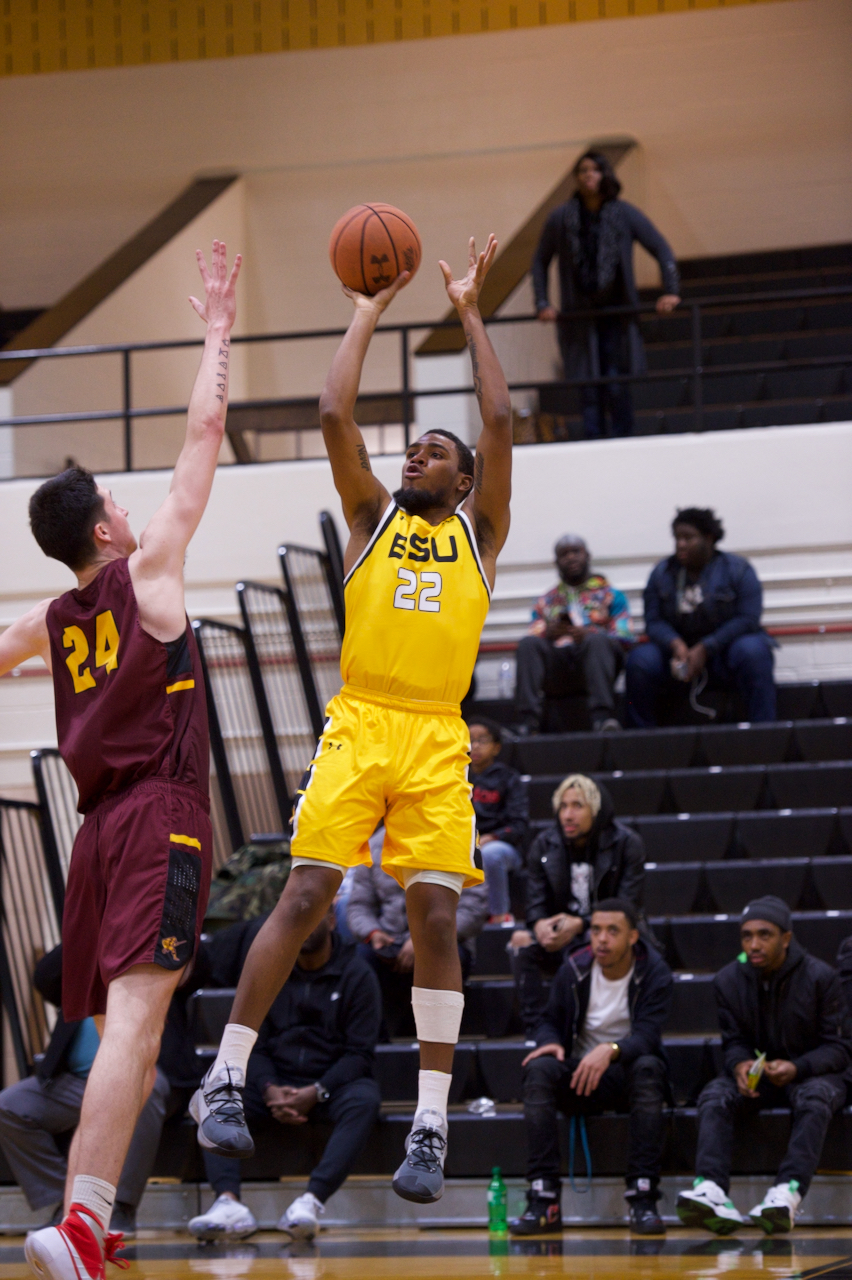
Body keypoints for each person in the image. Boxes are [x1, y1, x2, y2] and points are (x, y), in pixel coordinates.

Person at [192, 234, 513, 1208]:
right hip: (362, 721)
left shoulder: (479, 531)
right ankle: (225, 1075)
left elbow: (499, 415)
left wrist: (466, 307)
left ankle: (429, 1116)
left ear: (463, 480)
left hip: (434, 733)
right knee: (301, 896)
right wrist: (369, 301)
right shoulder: (373, 516)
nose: (417, 452)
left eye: (435, 450)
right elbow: (335, 410)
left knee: (434, 915)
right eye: (411, 445)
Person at [0, 241, 240, 1280]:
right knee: (140, 1022)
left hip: (93, 833)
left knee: (132, 1031)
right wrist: (219, 328)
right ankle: (80, 1222)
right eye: (120, 503)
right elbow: (204, 431)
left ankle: (85, 1226)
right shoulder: (147, 573)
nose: (137, 511)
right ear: (104, 523)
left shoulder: (53, 617)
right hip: (156, 811)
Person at [188, 907, 382, 1243]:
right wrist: (267, 1088)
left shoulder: (357, 974)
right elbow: (255, 1043)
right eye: (297, 918)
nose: (303, 926)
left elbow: (359, 1054)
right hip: (273, 1082)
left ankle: (311, 1202)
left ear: (332, 920)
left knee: (365, 1098)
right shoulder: (271, 969)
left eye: (313, 917)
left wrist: (318, 1090)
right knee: (214, 1093)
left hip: (329, 1085)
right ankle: (228, 1203)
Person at [677, 896, 850, 1236]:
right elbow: (734, 1040)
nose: (753, 944)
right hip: (762, 1077)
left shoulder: (820, 977)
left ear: (786, 938)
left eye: (764, 935)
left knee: (816, 1097)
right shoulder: (728, 980)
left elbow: (840, 1049)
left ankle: (787, 1193)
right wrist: (740, 1064)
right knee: (714, 1094)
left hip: (811, 1073)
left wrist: (797, 1068)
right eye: (746, 936)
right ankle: (711, 1189)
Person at [510, 899, 672, 1237]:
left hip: (626, 1074)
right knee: (538, 1069)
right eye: (596, 929)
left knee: (648, 1068)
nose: (601, 939)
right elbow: (549, 1022)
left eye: (612, 931)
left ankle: (642, 1197)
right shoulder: (575, 966)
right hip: (580, 1073)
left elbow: (647, 1036)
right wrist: (549, 1040)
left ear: (632, 937)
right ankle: (544, 1198)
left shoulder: (654, 971)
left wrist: (611, 1051)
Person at [0, 947, 170, 1240]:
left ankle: (118, 1207)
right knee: (9, 1105)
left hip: (141, 1074)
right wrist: (94, 932)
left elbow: (200, 966)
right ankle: (63, 1204)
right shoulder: (85, 970)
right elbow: (46, 976)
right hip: (71, 1082)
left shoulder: (159, 964)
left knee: (146, 1086)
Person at [532, 149, 680, 439]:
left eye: (595, 169)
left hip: (618, 316)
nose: (588, 174)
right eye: (582, 170)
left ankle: (623, 440)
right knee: (588, 387)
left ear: (605, 174)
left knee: (616, 384)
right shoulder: (561, 217)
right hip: (580, 316)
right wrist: (542, 302)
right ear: (576, 178)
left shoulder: (624, 213)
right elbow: (539, 261)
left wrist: (671, 291)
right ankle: (593, 443)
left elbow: (662, 249)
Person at [511, 775, 645, 1035]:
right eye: (563, 806)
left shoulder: (627, 843)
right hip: (561, 930)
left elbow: (628, 906)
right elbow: (535, 903)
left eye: (577, 806)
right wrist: (539, 925)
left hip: (605, 931)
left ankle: (579, 1026)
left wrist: (582, 923)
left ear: (596, 810)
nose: (568, 815)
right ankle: (538, 1029)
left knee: (593, 939)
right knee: (520, 941)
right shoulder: (544, 844)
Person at [625, 508, 776, 727]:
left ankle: (765, 735)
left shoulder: (738, 569)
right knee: (640, 660)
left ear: (709, 538)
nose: (681, 544)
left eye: (688, 538)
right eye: (677, 538)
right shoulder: (661, 572)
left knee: (754, 651)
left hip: (725, 652)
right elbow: (653, 621)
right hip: (678, 656)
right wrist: (675, 644)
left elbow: (748, 619)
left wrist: (706, 647)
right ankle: (640, 743)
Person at [348, 842, 489, 1038]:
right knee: (358, 961)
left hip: (442, 939)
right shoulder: (374, 846)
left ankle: (440, 1041)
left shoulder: (459, 838)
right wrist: (372, 932)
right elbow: (359, 905)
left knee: (444, 955)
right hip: (389, 940)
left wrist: (424, 940)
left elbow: (473, 910)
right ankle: (371, 1043)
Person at [513, 534, 632, 733]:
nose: (570, 557)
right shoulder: (545, 600)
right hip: (558, 667)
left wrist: (588, 634)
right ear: (556, 562)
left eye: (576, 551)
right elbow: (534, 633)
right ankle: (528, 722)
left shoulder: (610, 595)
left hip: (595, 665)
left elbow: (625, 636)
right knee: (528, 644)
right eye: (564, 554)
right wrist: (548, 633)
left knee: (596, 641)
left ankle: (602, 719)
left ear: (587, 555)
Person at [468, 717, 529, 922]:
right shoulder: (454, 777)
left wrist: (492, 837)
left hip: (502, 846)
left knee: (490, 854)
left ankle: (498, 915)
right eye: (469, 740)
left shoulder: (508, 778)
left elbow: (519, 825)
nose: (474, 746)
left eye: (482, 741)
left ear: (496, 747)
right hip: (463, 842)